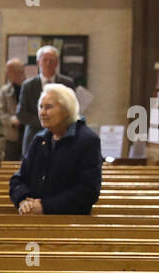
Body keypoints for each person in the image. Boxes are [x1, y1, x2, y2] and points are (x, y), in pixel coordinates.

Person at [9, 83, 102, 215]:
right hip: (34, 220)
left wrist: (45, 207)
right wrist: (24, 201)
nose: (42, 112)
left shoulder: (87, 141)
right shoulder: (39, 139)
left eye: (49, 107)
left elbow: (88, 191)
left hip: (71, 223)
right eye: (40, 107)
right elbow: (18, 179)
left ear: (66, 110)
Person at [16, 45, 75, 151]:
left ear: (57, 63)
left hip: (62, 138)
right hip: (33, 138)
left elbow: (72, 110)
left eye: (52, 61)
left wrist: (57, 123)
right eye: (45, 60)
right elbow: (22, 114)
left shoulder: (67, 84)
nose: (48, 64)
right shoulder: (28, 85)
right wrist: (47, 121)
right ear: (38, 62)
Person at [0, 58, 26, 162]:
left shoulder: (29, 87)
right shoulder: (5, 91)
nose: (8, 74)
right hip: (12, 136)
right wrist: (11, 119)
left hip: (28, 134)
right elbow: (0, 113)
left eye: (10, 71)